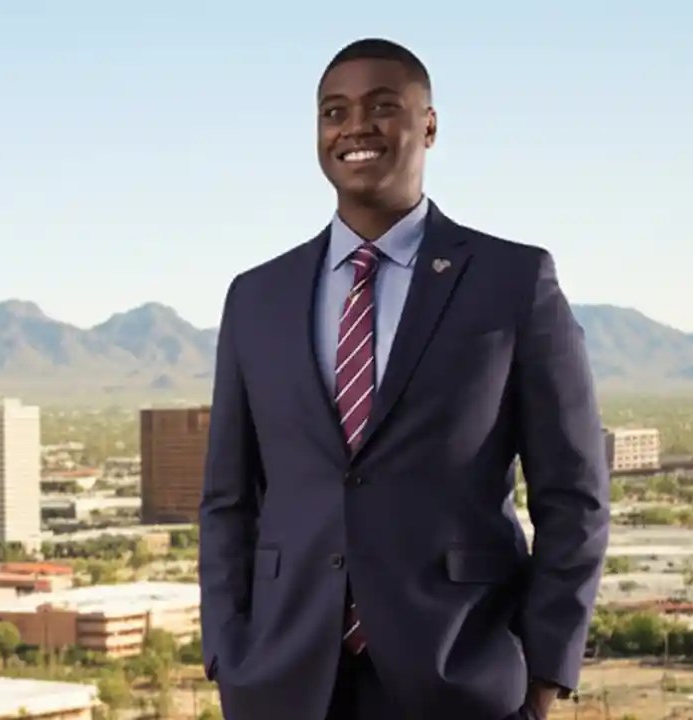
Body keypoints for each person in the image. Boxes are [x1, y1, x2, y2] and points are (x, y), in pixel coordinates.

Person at [197, 38, 610, 720]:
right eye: (334, 111)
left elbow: (575, 496)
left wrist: (544, 672)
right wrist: (226, 652)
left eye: (382, 106)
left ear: (428, 124)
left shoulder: (512, 281)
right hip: (281, 680)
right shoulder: (256, 297)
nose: (354, 126)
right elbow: (227, 502)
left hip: (461, 674)